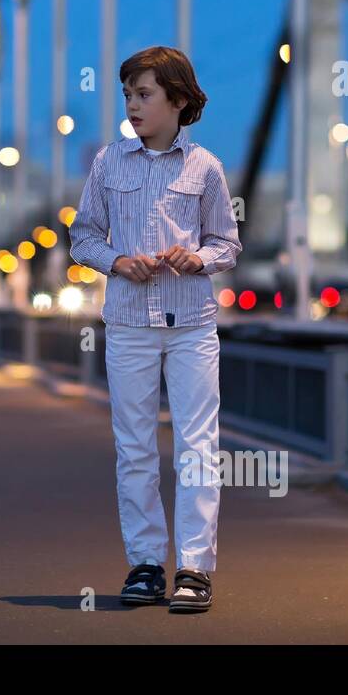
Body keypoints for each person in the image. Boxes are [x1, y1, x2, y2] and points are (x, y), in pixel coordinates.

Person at [68, 45, 242, 613]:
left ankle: (195, 570)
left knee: (197, 447)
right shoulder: (107, 163)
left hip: (192, 325)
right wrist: (118, 261)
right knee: (135, 448)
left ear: (178, 99)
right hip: (127, 324)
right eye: (127, 95)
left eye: (144, 95)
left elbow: (227, 244)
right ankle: (145, 565)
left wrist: (199, 259)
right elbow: (84, 237)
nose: (133, 106)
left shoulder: (206, 168)